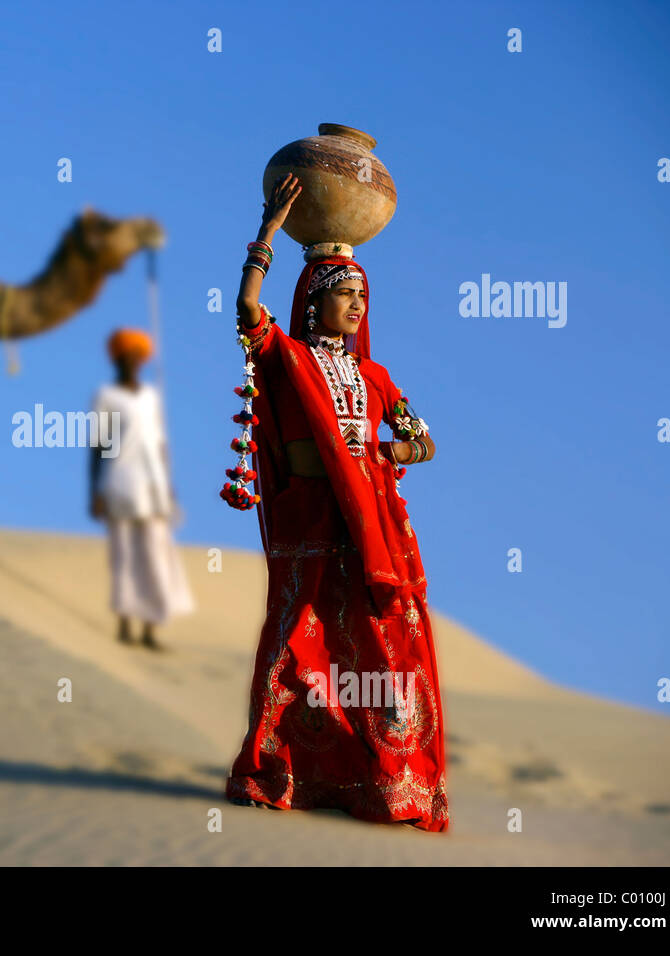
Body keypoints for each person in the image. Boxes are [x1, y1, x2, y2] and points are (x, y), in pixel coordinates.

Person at [222, 174, 449, 832]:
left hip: (372, 524)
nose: (356, 306)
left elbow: (423, 442)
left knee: (381, 646)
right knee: (296, 643)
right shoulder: (286, 357)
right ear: (314, 302)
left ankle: (388, 784)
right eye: (345, 294)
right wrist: (267, 232)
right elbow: (246, 311)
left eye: (361, 296)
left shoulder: (377, 377)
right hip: (311, 520)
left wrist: (383, 457)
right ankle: (276, 771)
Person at [89, 329, 194, 650]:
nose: (133, 362)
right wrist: (95, 491)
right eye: (128, 356)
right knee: (123, 555)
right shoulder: (106, 398)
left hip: (154, 487)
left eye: (138, 356)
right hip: (120, 484)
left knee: (156, 556)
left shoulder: (151, 397)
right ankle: (124, 623)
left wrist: (170, 487)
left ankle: (151, 627)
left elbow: (160, 444)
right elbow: (98, 446)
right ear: (118, 359)